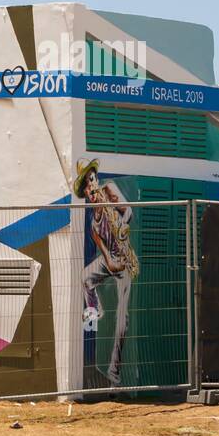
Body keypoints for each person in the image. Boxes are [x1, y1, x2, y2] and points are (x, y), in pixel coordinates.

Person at [74, 158, 138, 385]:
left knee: (123, 321)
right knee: (85, 278)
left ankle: (114, 371)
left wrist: (122, 224)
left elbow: (128, 211)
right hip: (112, 261)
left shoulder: (110, 188)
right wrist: (112, 262)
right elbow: (108, 261)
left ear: (96, 178)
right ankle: (95, 309)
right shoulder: (93, 224)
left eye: (91, 181)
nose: (91, 188)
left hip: (125, 262)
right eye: (86, 188)